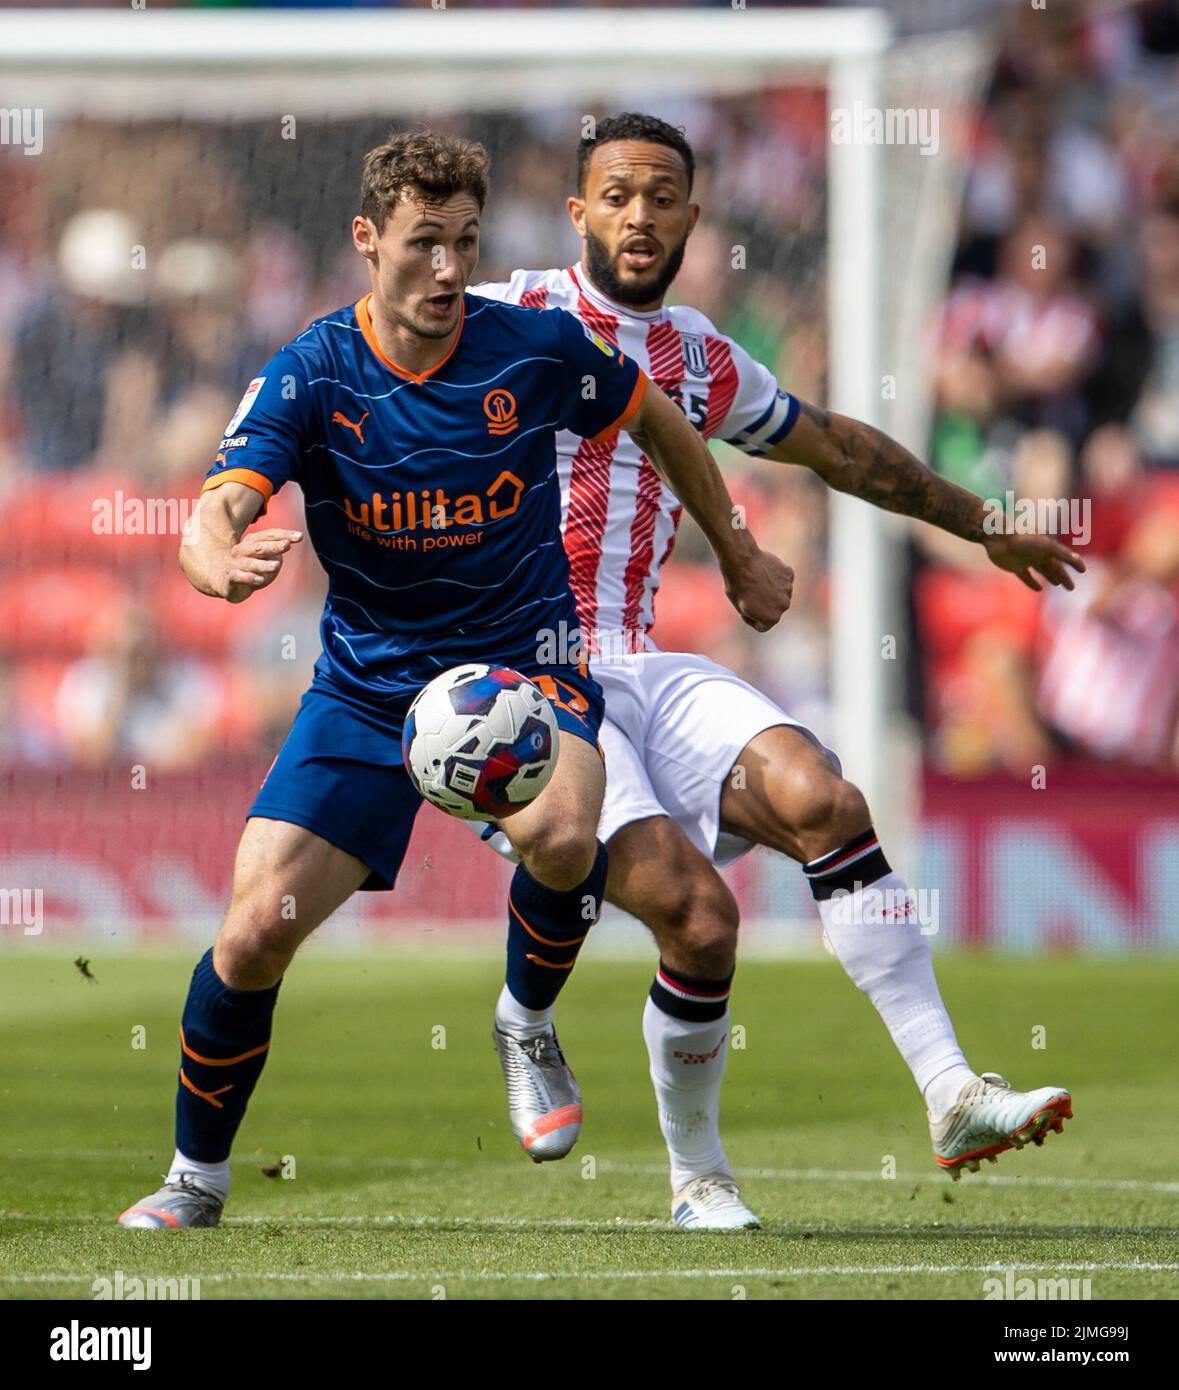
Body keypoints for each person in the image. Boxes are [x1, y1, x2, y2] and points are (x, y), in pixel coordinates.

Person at [117, 128, 791, 1230]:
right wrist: (216, 563)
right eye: (425, 243)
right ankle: (195, 1177)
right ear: (367, 240)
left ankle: (525, 1018)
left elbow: (658, 417)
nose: (446, 270)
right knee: (250, 934)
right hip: (367, 687)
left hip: (528, 661)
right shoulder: (313, 370)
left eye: (466, 243)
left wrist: (737, 545)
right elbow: (215, 508)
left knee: (568, 834)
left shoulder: (531, 349)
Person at [470, 113, 1083, 1230]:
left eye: (662, 197)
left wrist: (982, 522)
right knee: (701, 920)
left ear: (694, 218)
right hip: (526, 681)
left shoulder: (701, 354)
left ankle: (951, 1093)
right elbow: (382, 363)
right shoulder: (514, 314)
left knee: (824, 797)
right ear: (578, 213)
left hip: (640, 664)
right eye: (616, 196)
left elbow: (840, 448)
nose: (640, 216)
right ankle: (696, 1174)